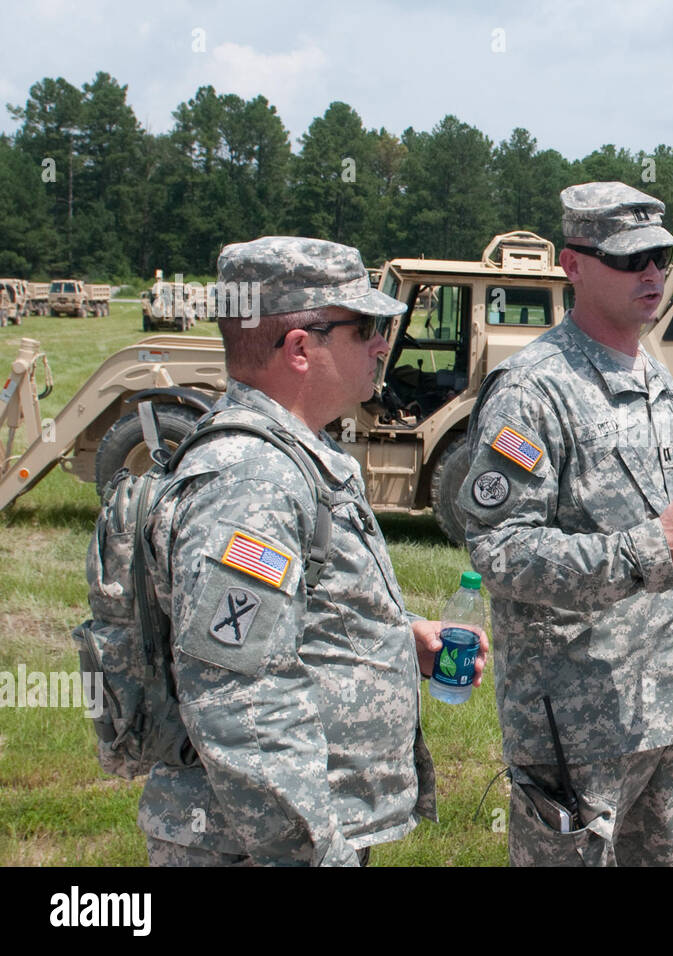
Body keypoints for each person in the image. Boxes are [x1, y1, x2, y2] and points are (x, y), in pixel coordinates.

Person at [137, 236, 484, 866]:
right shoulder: (251, 484)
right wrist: (314, 854)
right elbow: (240, 701)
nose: (382, 344)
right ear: (301, 348)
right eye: (366, 328)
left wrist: (396, 637)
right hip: (262, 846)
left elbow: (285, 618)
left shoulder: (292, 458)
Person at [456, 182, 673, 866]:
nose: (653, 273)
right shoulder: (533, 390)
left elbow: (658, 517)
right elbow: (501, 550)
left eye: (659, 257)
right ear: (573, 266)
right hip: (580, 723)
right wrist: (654, 549)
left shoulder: (653, 375)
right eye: (630, 261)